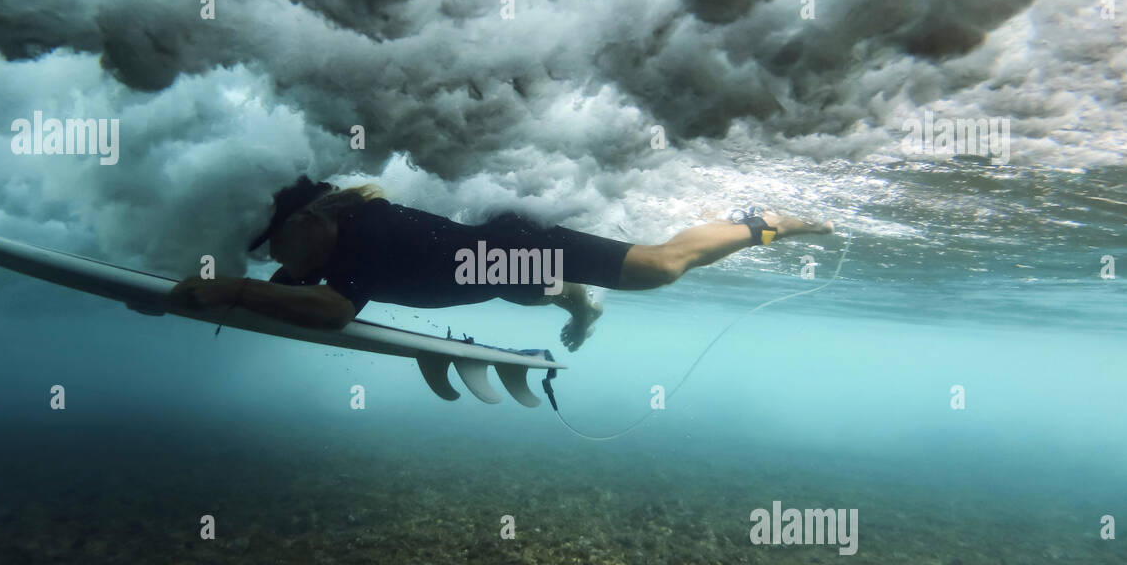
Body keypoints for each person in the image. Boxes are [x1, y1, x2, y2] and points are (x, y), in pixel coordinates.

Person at [170, 176, 835, 351]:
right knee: (533, 295)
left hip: (512, 247)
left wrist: (236, 289)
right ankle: (578, 304)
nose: (277, 261)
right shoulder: (322, 252)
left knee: (659, 269)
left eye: (276, 245)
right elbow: (294, 292)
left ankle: (760, 221)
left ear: (310, 221)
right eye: (265, 255)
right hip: (485, 276)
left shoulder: (363, 233)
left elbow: (335, 312)